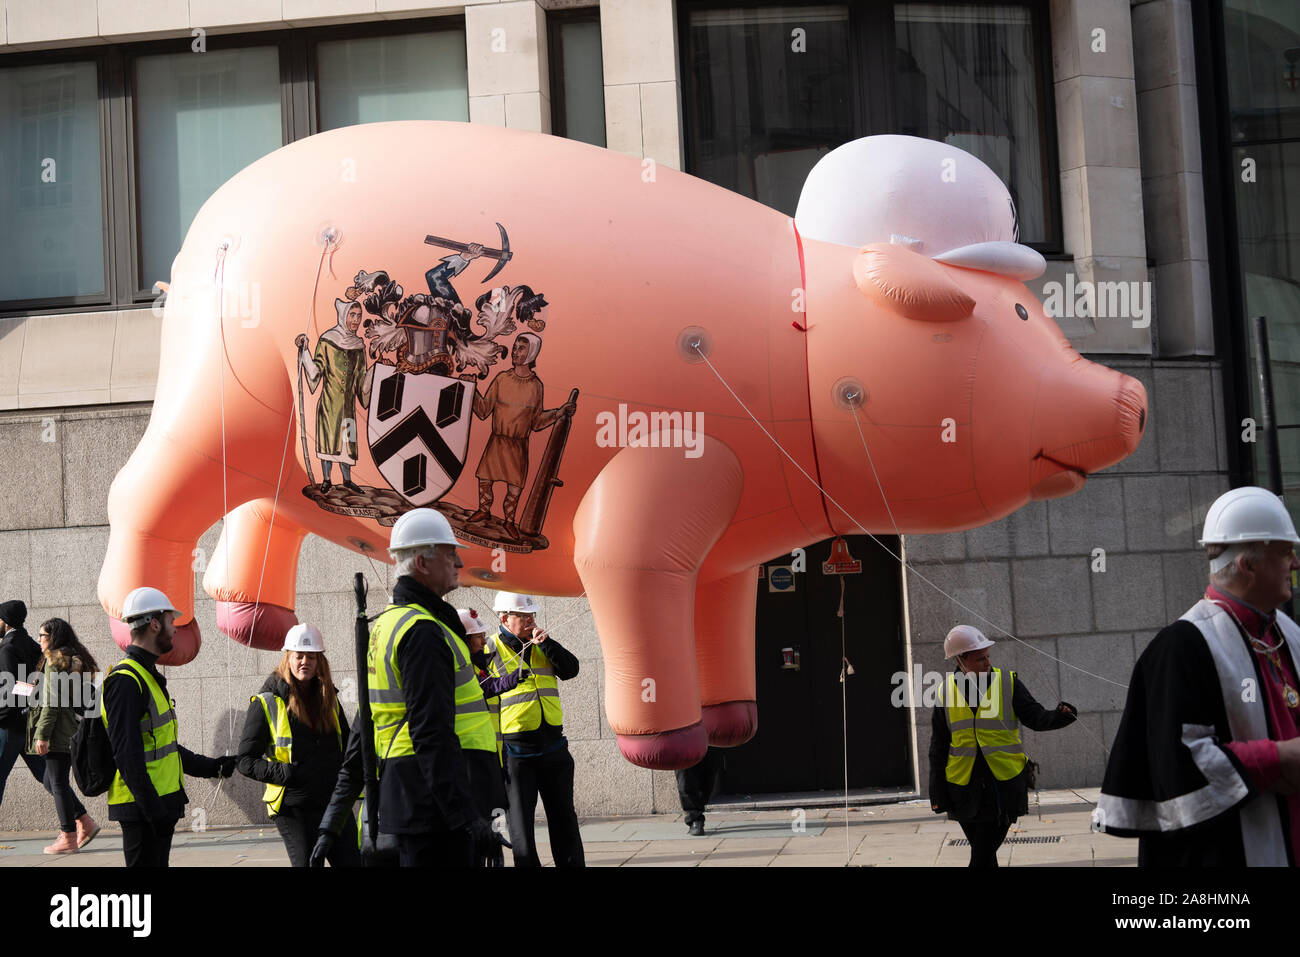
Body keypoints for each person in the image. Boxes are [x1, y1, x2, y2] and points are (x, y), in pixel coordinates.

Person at [1098, 487, 1300, 865]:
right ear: (1249, 565)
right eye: (1286, 552)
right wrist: (1280, 758)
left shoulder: (1288, 634)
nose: (1296, 563)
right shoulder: (1180, 647)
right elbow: (1175, 772)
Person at [362, 507, 503, 867]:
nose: (458, 561)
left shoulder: (392, 622)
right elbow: (431, 732)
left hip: (418, 800)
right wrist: (466, 817)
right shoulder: (423, 631)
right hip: (438, 812)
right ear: (423, 564)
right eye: (448, 553)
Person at [102, 587, 237, 867]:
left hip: (157, 805)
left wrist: (211, 767)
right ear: (154, 624)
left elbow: (164, 747)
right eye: (170, 621)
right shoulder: (127, 681)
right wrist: (154, 810)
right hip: (143, 810)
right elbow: (127, 755)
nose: (174, 630)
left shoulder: (147, 676)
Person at [928, 625, 1077, 867]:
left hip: (1003, 787)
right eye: (980, 659)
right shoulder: (945, 691)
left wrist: (1062, 716)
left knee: (981, 857)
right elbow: (938, 746)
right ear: (960, 660)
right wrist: (937, 792)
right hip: (962, 789)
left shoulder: (1008, 683)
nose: (987, 663)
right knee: (985, 858)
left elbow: (1036, 717)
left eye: (988, 657)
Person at [237, 623, 359, 868]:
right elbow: (245, 761)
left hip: (334, 801)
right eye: (299, 656)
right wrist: (286, 773)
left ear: (319, 661)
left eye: (311, 657)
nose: (305, 662)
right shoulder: (267, 701)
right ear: (288, 658)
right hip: (295, 807)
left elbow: (348, 747)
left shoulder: (329, 698)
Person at [488, 591, 585, 867]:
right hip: (516, 753)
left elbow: (571, 669)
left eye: (532, 614)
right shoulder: (490, 649)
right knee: (521, 829)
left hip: (554, 746)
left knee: (565, 820)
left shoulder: (542, 644)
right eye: (523, 615)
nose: (531, 620)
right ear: (505, 618)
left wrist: (548, 643)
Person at [468, 334, 577, 540]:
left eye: (521, 349)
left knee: (514, 488)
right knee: (485, 479)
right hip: (497, 440)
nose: (515, 352)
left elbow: (536, 422)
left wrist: (558, 413)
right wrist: (472, 391)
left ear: (532, 354)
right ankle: (484, 510)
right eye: (515, 347)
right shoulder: (501, 378)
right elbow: (483, 410)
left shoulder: (536, 387)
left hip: (518, 445)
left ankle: (509, 522)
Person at [26, 619, 98, 853]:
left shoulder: (55, 661)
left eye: (42, 635)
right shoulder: (77, 659)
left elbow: (53, 703)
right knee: (51, 780)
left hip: (58, 731)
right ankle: (84, 822)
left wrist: (42, 734)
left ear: (54, 637)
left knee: (56, 782)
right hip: (73, 729)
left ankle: (67, 835)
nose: (39, 640)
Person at [296, 297, 375, 492]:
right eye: (352, 315)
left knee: (347, 443)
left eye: (359, 316)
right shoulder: (327, 341)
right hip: (329, 405)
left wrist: (375, 372)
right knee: (329, 442)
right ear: (343, 315)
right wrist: (304, 351)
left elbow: (361, 379)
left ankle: (347, 480)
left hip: (347, 408)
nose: (356, 320)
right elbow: (316, 371)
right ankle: (327, 480)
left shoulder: (358, 346)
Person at [459, 607, 523, 824]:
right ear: (465, 640)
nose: (485, 642)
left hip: (492, 754)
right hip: (472, 759)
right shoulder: (462, 670)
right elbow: (485, 689)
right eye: (479, 637)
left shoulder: (480, 666)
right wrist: (510, 680)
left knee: (495, 820)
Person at [0, 600, 46, 810]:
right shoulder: (29, 643)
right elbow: (30, 681)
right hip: (27, 722)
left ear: (6, 622)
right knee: (46, 775)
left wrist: (7, 713)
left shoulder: (7, 648)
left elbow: (13, 687)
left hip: (10, 725)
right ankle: (82, 818)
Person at [676, 748, 723, 836]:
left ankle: (698, 805)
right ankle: (695, 819)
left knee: (708, 777)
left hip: (710, 739)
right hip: (682, 741)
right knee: (685, 781)